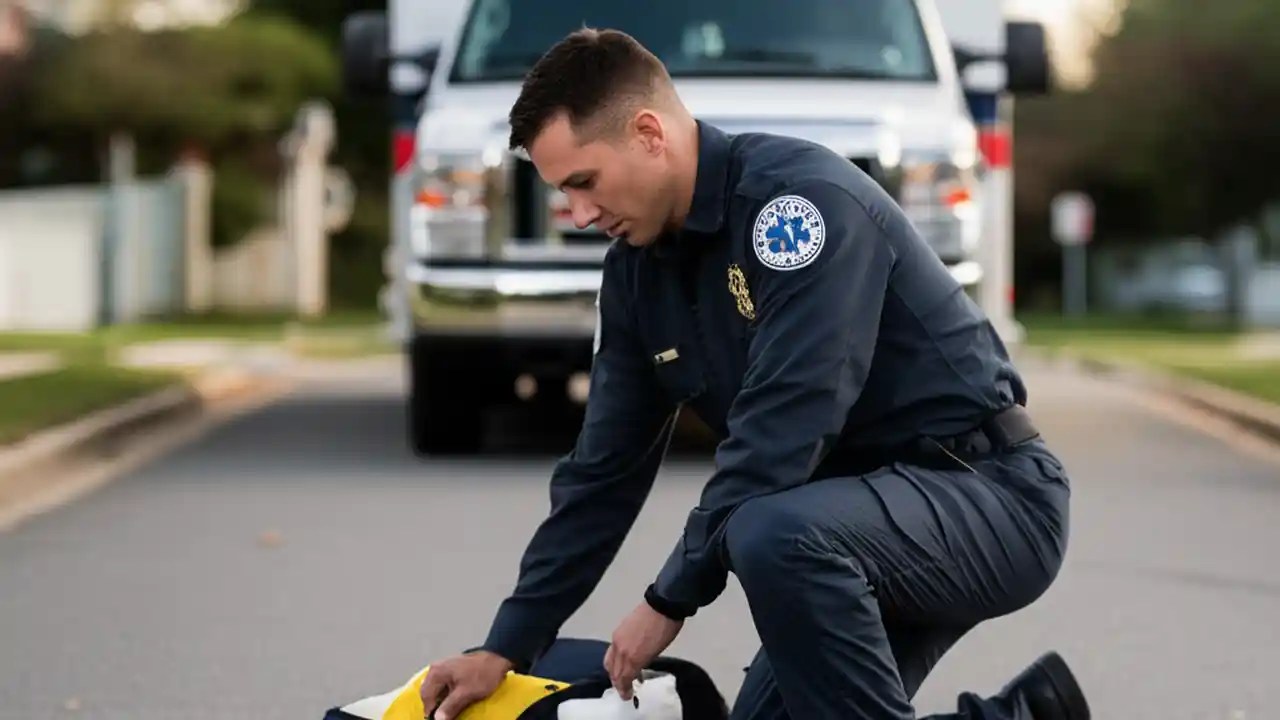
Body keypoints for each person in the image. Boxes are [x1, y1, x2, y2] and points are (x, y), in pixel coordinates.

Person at [420, 27, 1091, 720]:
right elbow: (601, 471)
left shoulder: (797, 207)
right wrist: (506, 646)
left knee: (767, 530)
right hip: (852, 529)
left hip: (987, 496)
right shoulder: (636, 274)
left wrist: (667, 598)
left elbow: (784, 431)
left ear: (649, 133)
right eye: (564, 193)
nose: (581, 214)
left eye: (585, 183)